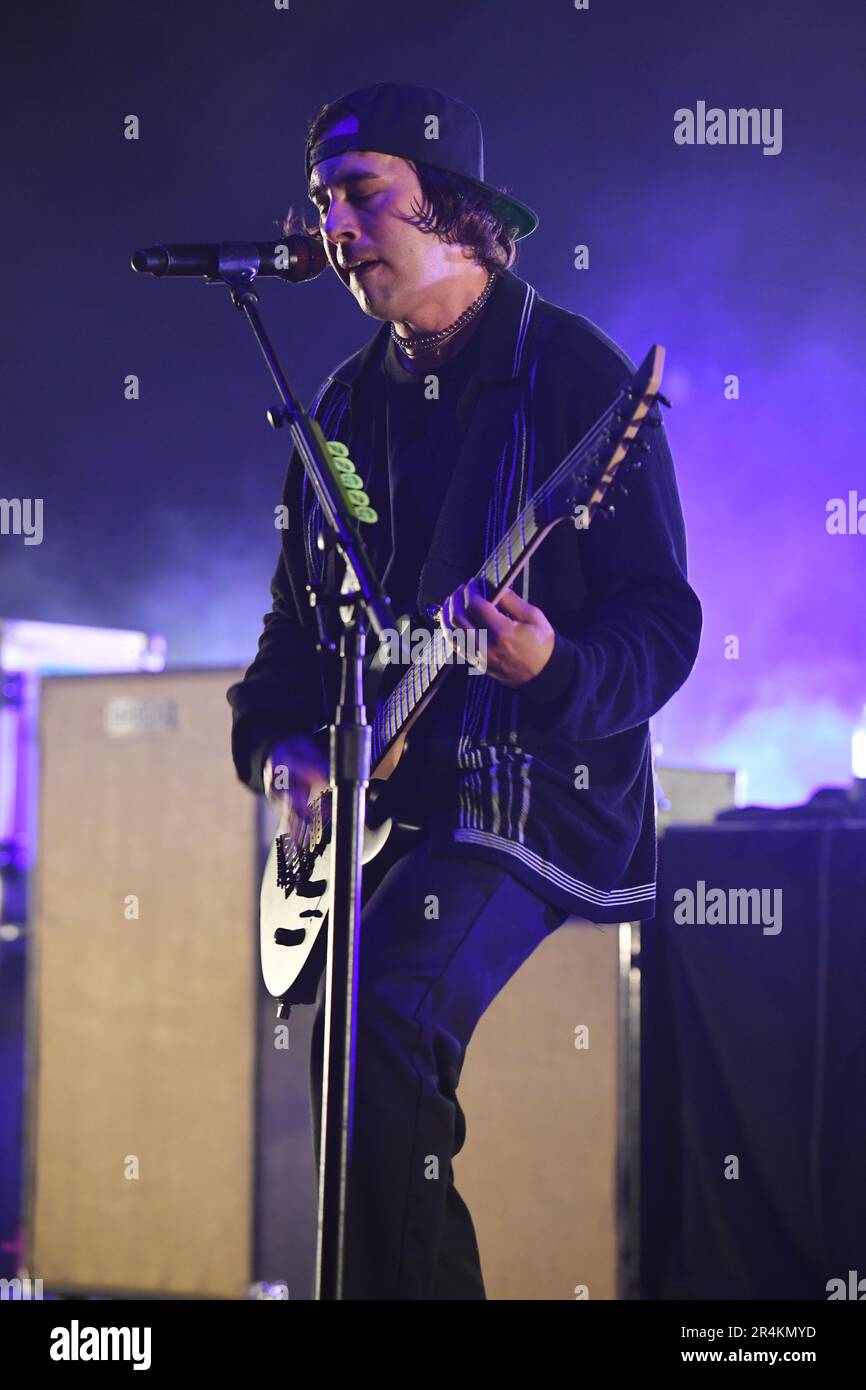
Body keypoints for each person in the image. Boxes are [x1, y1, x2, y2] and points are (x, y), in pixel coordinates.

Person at [226, 81, 703, 1299]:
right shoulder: (339, 406)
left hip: (531, 794)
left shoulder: (570, 375)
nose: (332, 224)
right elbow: (294, 628)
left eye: (360, 193)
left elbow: (662, 622)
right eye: (323, 198)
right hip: (398, 799)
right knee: (346, 1064)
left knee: (385, 1019)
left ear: (448, 205)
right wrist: (287, 746)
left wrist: (555, 667)